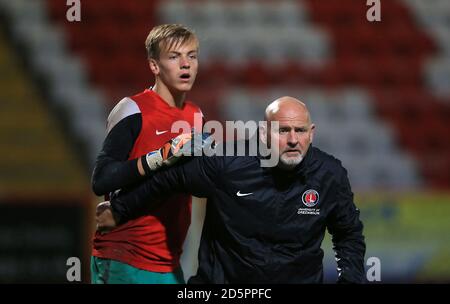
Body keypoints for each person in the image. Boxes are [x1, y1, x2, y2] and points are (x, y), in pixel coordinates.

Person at [97, 96, 366, 283]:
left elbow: (349, 234)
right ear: (263, 133)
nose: (293, 140)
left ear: (312, 133)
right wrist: (121, 209)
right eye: (282, 130)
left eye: (300, 130)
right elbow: (169, 177)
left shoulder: (330, 175)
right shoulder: (227, 163)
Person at [90, 24, 206, 284]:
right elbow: (102, 180)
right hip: (125, 256)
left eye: (192, 56)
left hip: (169, 260)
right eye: (174, 57)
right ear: (154, 65)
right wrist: (160, 156)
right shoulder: (133, 109)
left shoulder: (195, 114)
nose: (185, 64)